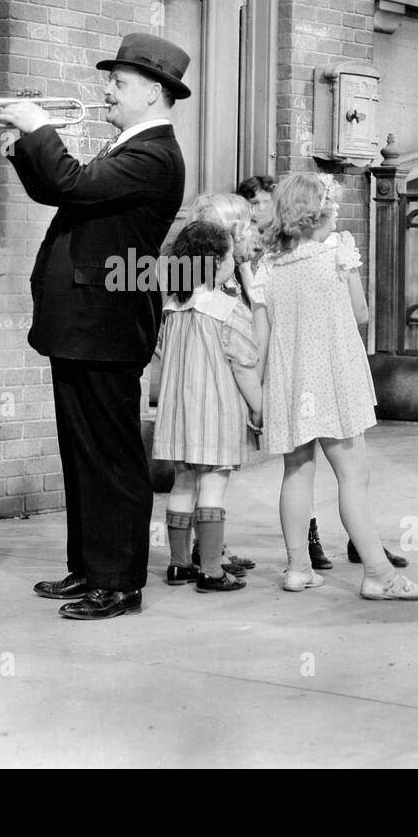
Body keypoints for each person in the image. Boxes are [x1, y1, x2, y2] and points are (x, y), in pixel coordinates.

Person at [0, 32, 187, 620]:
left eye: (120, 82)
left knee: (110, 457)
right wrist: (22, 148)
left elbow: (70, 184)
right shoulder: (127, 148)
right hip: (85, 324)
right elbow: (64, 193)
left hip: (106, 325)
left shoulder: (152, 153)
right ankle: (89, 567)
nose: (107, 90)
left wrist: (36, 128)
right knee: (82, 454)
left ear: (153, 92)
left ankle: (118, 581)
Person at [262, 173, 418, 600]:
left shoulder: (268, 265)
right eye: (332, 208)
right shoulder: (336, 253)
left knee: (296, 470)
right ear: (314, 215)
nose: (336, 215)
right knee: (354, 474)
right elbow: (360, 313)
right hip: (333, 375)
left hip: (290, 378)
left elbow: (263, 330)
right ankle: (379, 574)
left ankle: (298, 568)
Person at [153, 220, 261, 593]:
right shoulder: (227, 308)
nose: (234, 262)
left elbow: (163, 354)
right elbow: (244, 366)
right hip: (215, 411)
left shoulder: (174, 307)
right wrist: (259, 407)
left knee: (183, 484)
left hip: (180, 414)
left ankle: (179, 565)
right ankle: (212, 570)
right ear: (215, 262)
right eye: (230, 256)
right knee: (213, 485)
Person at [184, 191, 261, 578]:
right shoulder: (220, 291)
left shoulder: (192, 288)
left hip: (190, 399)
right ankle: (209, 563)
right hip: (217, 397)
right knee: (211, 480)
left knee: (193, 481)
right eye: (249, 230)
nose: (255, 239)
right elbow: (246, 354)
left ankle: (201, 553)